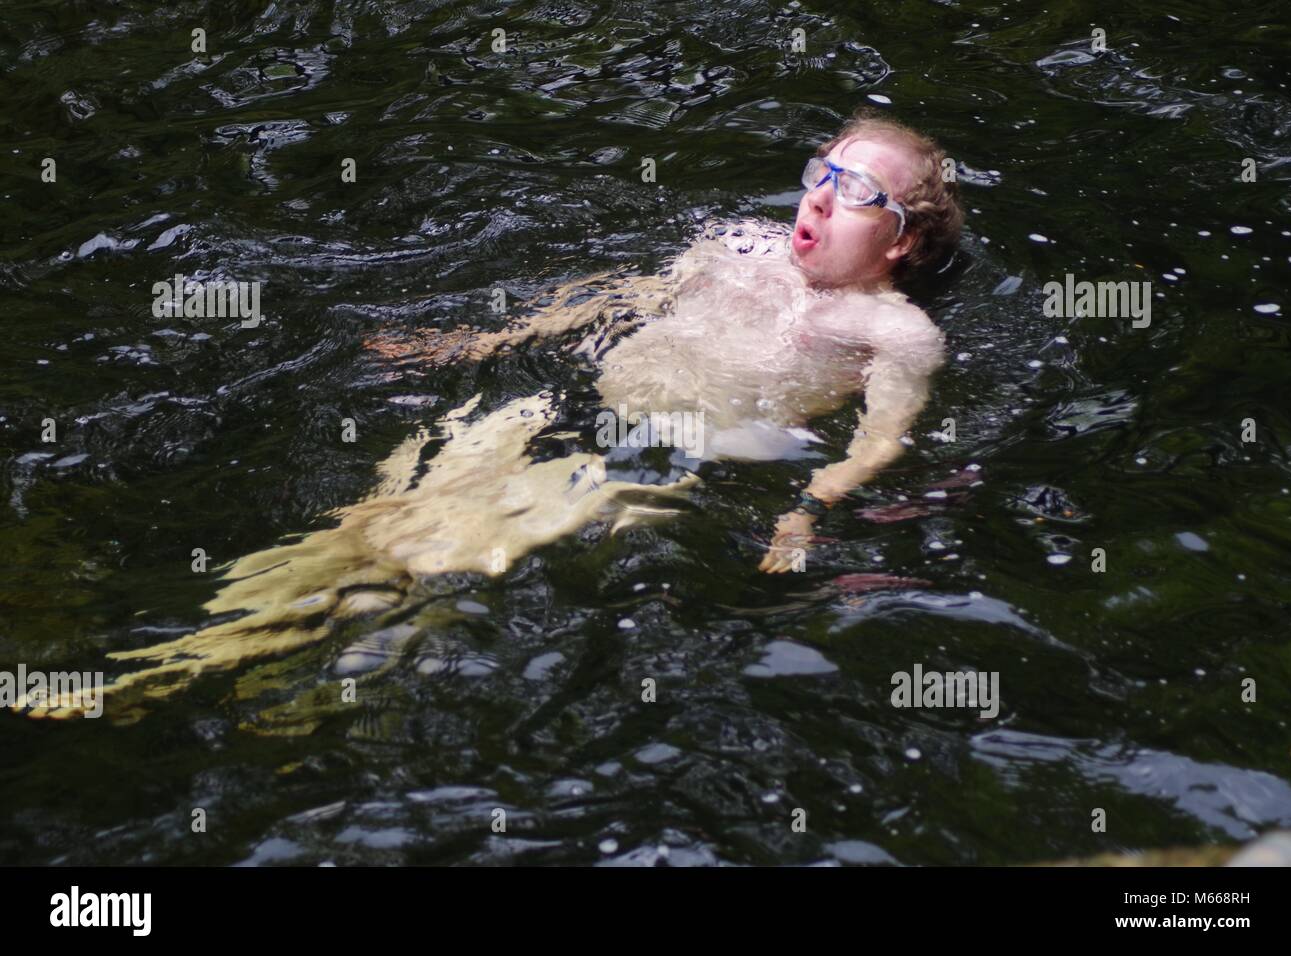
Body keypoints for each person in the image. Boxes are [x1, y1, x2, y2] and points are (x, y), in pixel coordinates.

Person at [16, 108, 963, 720]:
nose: (823, 197)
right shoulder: (741, 244)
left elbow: (883, 438)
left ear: (906, 239)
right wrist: (465, 347)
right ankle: (209, 650)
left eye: (858, 193)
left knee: (439, 554)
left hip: (661, 456)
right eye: (822, 172)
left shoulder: (892, 331)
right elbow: (611, 299)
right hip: (565, 407)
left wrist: (810, 510)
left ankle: (177, 676)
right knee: (376, 524)